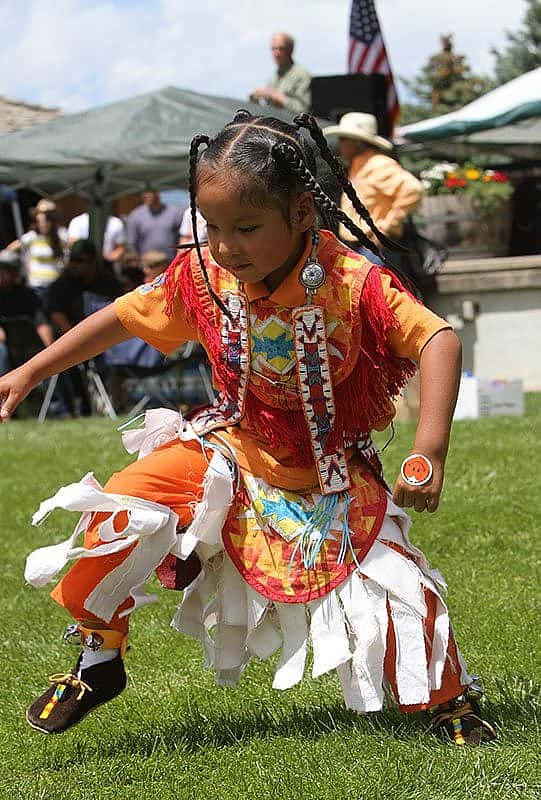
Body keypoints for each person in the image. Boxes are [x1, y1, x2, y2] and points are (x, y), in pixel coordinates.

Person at [0, 111, 496, 746]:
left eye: (246, 227)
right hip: (232, 453)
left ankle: (448, 703)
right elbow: (125, 316)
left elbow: (436, 338)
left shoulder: (351, 281)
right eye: (212, 226)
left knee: (402, 591)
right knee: (121, 505)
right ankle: (98, 657)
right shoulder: (205, 273)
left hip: (331, 477)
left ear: (301, 214)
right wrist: (32, 370)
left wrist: (427, 450)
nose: (225, 245)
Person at [323, 113, 423, 266]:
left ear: (357, 143)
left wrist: (385, 229)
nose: (339, 144)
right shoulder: (359, 165)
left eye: (343, 139)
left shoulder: (378, 164)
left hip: (375, 247)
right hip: (364, 246)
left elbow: (413, 189)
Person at [0, 249, 53, 376]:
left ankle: (59, 396)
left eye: (6, 269)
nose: (1, 273)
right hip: (5, 348)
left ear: (16, 273)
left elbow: (42, 324)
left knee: (54, 355)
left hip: (27, 348)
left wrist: (49, 351)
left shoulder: (27, 295)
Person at [7, 199, 68, 303]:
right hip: (36, 286)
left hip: (55, 286)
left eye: (47, 219)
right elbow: (10, 249)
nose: (43, 224)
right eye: (40, 220)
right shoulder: (32, 237)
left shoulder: (61, 235)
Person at [250, 33, 311, 114]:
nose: (276, 53)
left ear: (291, 50)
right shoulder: (273, 77)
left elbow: (303, 109)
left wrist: (275, 96)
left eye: (281, 48)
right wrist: (256, 99)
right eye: (274, 49)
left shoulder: (301, 74)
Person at [127, 190, 185, 258]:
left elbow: (183, 237)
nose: (148, 196)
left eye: (151, 192)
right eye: (145, 193)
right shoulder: (135, 215)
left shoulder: (175, 212)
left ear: (158, 193)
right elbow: (132, 241)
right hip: (148, 262)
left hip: (171, 260)